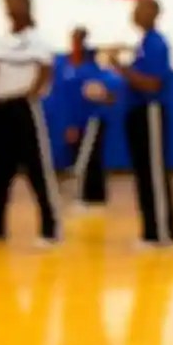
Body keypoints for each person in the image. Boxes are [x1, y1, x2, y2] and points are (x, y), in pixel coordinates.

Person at [0, 0, 60, 247]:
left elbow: (44, 73)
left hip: (23, 108)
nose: (11, 8)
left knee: (37, 170)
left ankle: (50, 228)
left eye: (16, 2)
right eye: (7, 3)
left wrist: (29, 95)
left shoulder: (39, 42)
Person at [116, 0, 173, 247]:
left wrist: (121, 69)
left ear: (152, 12)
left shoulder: (156, 43)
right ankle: (150, 231)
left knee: (152, 172)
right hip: (137, 112)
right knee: (143, 173)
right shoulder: (143, 44)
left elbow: (152, 83)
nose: (134, 13)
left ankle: (160, 233)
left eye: (138, 8)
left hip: (149, 110)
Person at [60, 27, 116, 211]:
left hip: (92, 120)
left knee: (88, 159)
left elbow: (109, 95)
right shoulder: (67, 67)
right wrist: (71, 124)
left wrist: (102, 95)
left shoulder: (91, 69)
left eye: (78, 39)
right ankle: (94, 198)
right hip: (77, 120)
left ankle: (88, 198)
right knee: (81, 157)